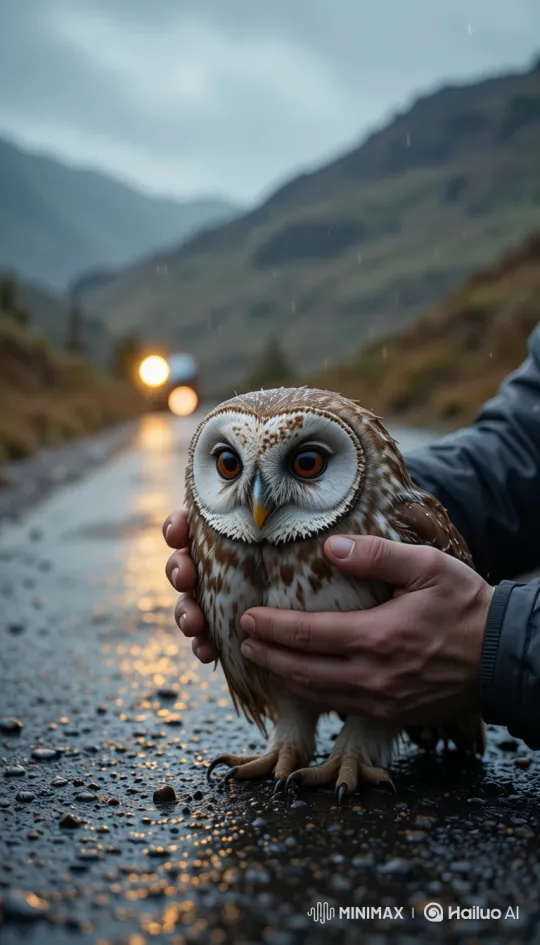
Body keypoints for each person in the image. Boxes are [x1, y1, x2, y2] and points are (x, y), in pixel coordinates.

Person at [163, 324, 540, 750]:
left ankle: (365, 742)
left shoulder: (386, 516)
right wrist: (406, 502)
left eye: (307, 464)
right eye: (230, 465)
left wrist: (494, 639)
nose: (259, 498)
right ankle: (290, 736)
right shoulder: (225, 523)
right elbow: (526, 444)